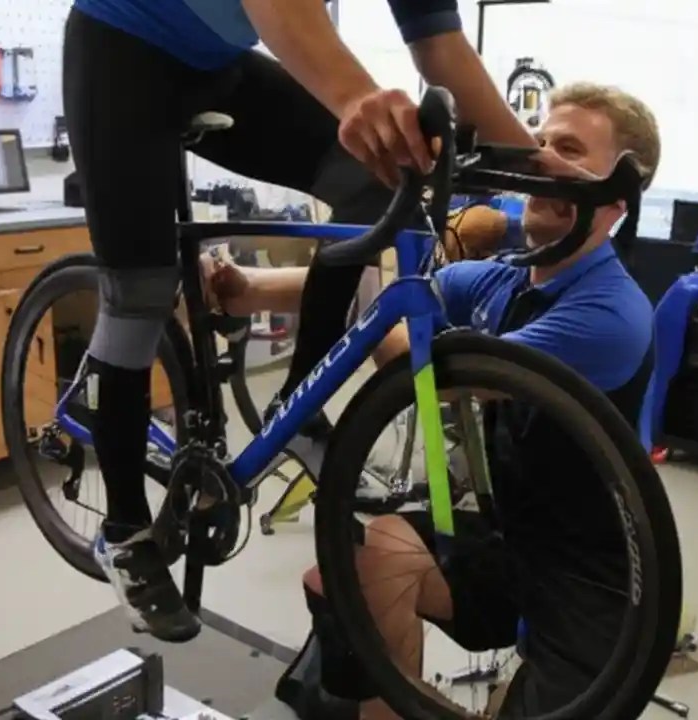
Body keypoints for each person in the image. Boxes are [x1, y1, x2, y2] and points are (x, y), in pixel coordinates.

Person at [64, 0, 590, 643]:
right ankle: (123, 533)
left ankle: (294, 403)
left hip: (215, 67)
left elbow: (444, 47)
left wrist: (542, 171)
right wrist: (360, 99)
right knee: (140, 292)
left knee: (372, 181)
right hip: (121, 51)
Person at [204, 82, 662, 720]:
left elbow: (436, 369)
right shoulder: (508, 279)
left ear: (615, 199)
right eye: (540, 142)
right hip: (513, 543)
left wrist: (372, 304)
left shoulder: (612, 314)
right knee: (360, 567)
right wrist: (248, 289)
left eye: (572, 151)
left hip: (591, 587)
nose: (544, 161)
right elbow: (398, 294)